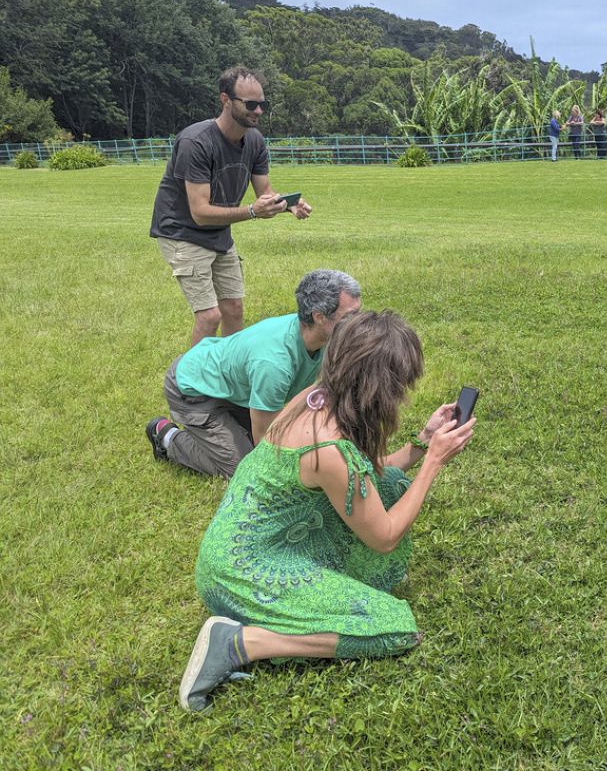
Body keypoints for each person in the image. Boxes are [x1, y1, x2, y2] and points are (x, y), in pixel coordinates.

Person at [177, 309, 475, 711]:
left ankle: (278, 617)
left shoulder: (314, 399)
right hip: (243, 573)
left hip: (235, 552)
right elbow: (385, 536)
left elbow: (367, 478)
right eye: (400, 386)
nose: (403, 395)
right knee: (391, 627)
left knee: (387, 486)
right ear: (379, 386)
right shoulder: (330, 450)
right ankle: (240, 642)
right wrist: (435, 462)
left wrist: (422, 442)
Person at [150, 66, 314, 346]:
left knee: (233, 310)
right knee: (210, 316)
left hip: (219, 233)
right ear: (225, 100)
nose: (259, 111)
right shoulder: (196, 142)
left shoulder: (255, 141)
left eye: (262, 104)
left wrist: (288, 205)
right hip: (182, 232)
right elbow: (200, 213)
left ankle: (228, 375)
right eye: (250, 104)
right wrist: (252, 211)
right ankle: (191, 385)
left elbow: (265, 193)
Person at [145, 269, 360, 478]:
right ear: (319, 317)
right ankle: (167, 436)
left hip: (231, 389)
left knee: (290, 434)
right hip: (192, 390)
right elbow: (265, 438)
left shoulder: (323, 338)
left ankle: (222, 430)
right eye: (351, 315)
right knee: (244, 466)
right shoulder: (274, 363)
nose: (359, 323)